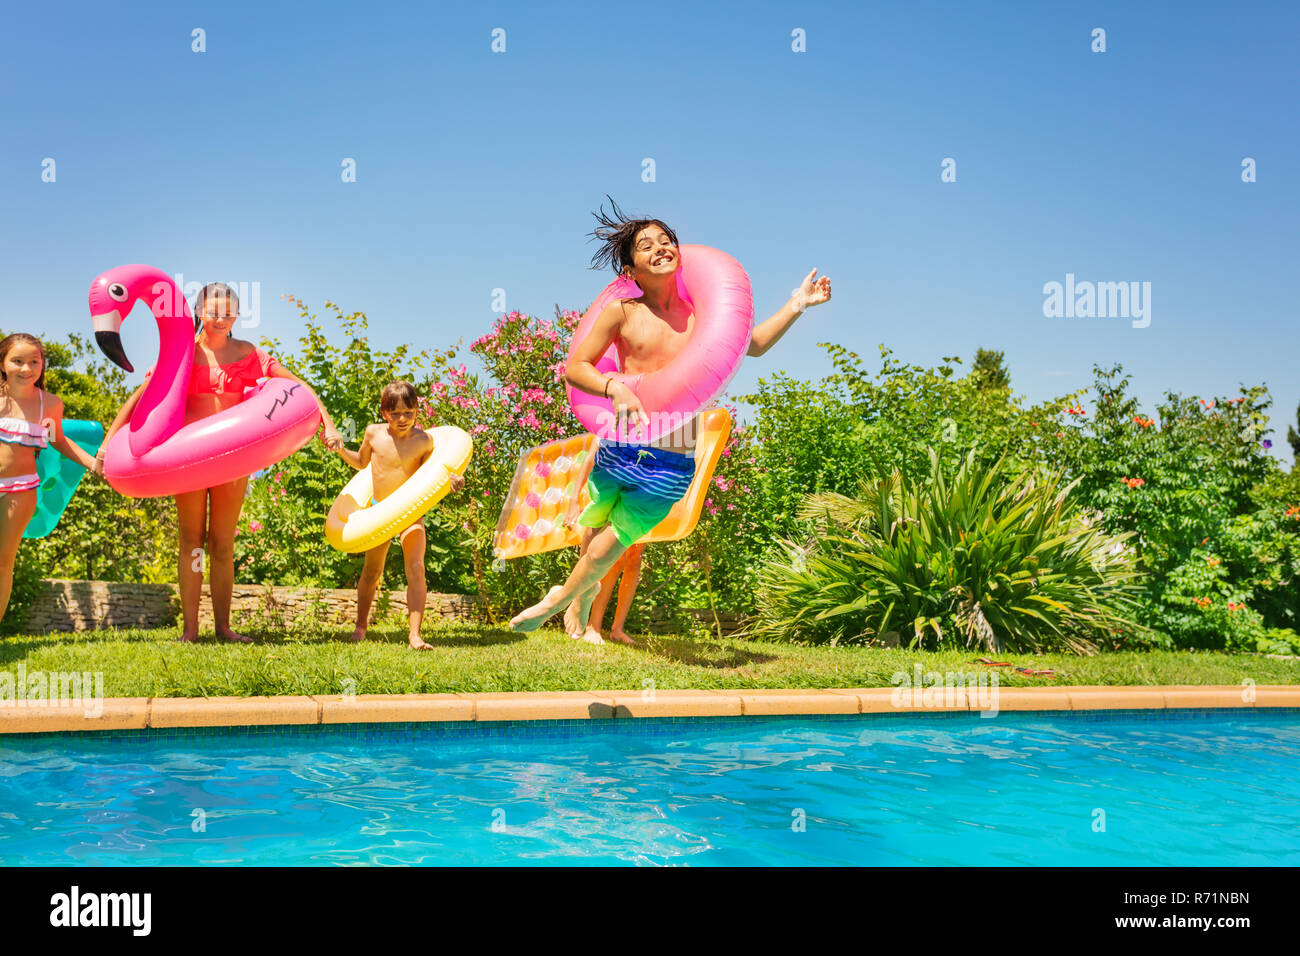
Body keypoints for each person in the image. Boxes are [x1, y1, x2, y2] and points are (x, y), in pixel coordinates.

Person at [511, 199, 831, 633]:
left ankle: (559, 598)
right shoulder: (622, 312)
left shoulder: (699, 314)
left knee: (614, 544)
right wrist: (615, 386)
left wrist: (798, 303)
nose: (661, 247)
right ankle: (577, 602)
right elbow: (577, 368)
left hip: (673, 449)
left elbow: (750, 344)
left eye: (667, 240)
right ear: (630, 268)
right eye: (647, 245)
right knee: (594, 523)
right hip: (621, 441)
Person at [101, 283, 343, 643]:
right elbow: (140, 398)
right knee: (192, 543)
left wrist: (330, 423)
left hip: (231, 463)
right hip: (189, 461)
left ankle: (224, 627)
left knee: (223, 544)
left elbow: (300, 388)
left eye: (228, 312)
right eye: (213, 311)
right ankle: (190, 630)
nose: (221, 318)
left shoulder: (247, 353)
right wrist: (108, 443)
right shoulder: (181, 352)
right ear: (199, 312)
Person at [333, 380, 465, 649]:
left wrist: (454, 481)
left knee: (416, 568)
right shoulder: (373, 434)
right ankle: (360, 627)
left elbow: (437, 474)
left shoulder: (425, 441)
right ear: (384, 413)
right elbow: (361, 463)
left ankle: (414, 635)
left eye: (409, 412)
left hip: (409, 513)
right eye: (395, 414)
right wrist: (339, 449)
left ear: (417, 411)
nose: (402, 418)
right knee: (372, 571)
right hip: (378, 509)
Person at [0, 333, 102, 624]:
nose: (26, 368)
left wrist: (94, 464)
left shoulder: (49, 404)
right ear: (3, 364)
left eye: (34, 361)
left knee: (3, 562)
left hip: (19, 489)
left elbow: (58, 440)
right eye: (17, 361)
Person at [561, 443, 644, 645]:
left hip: (639, 489)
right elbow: (592, 454)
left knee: (634, 558)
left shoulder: (659, 423)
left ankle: (617, 629)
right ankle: (592, 625)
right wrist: (573, 501)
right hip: (611, 486)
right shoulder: (619, 417)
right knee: (610, 558)